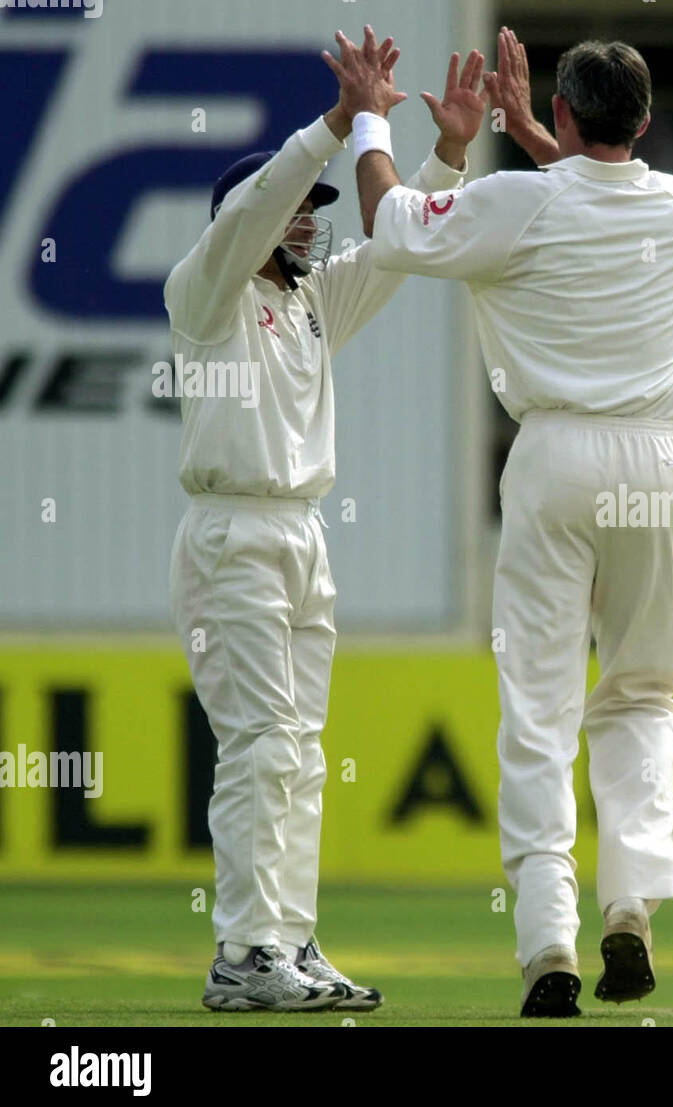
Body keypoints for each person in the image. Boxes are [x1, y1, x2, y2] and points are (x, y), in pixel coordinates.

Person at [337, 27, 673, 1017]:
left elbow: (389, 227)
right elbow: (597, 202)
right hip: (665, 464)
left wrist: (376, 111)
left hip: (556, 460)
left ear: (559, 113)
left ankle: (547, 940)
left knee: (538, 707)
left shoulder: (517, 205)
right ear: (646, 120)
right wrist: (532, 134)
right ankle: (630, 903)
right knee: (640, 696)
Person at [169, 28, 475, 1011]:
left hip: (300, 536)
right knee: (261, 741)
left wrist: (452, 156)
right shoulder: (206, 296)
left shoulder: (306, 307)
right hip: (231, 532)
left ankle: (287, 944)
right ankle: (242, 952)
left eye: (313, 210)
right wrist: (339, 122)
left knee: (297, 750)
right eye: (298, 209)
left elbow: (396, 252)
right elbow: (255, 212)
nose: (308, 223)